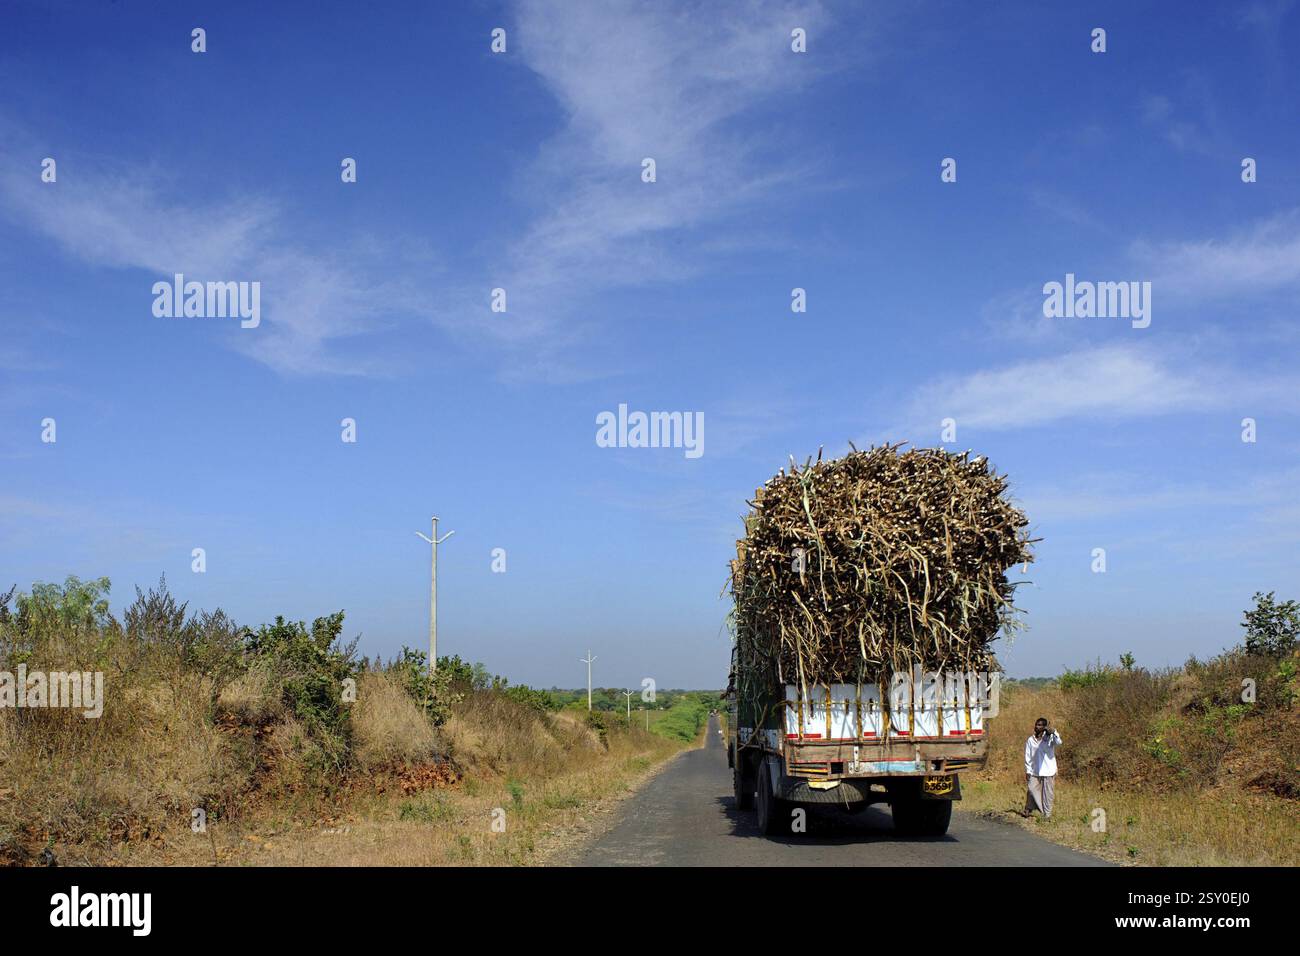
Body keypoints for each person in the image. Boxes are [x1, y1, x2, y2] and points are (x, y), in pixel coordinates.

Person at [1024, 717, 1061, 818]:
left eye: (1040, 725)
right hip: (1035, 770)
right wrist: (1028, 770)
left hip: (1049, 770)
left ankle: (1047, 815)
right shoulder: (1030, 740)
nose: (1037, 726)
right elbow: (1028, 756)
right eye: (1036, 724)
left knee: (1048, 794)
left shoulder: (1049, 738)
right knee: (1032, 789)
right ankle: (1038, 809)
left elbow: (1058, 742)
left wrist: (1053, 732)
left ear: (1045, 727)